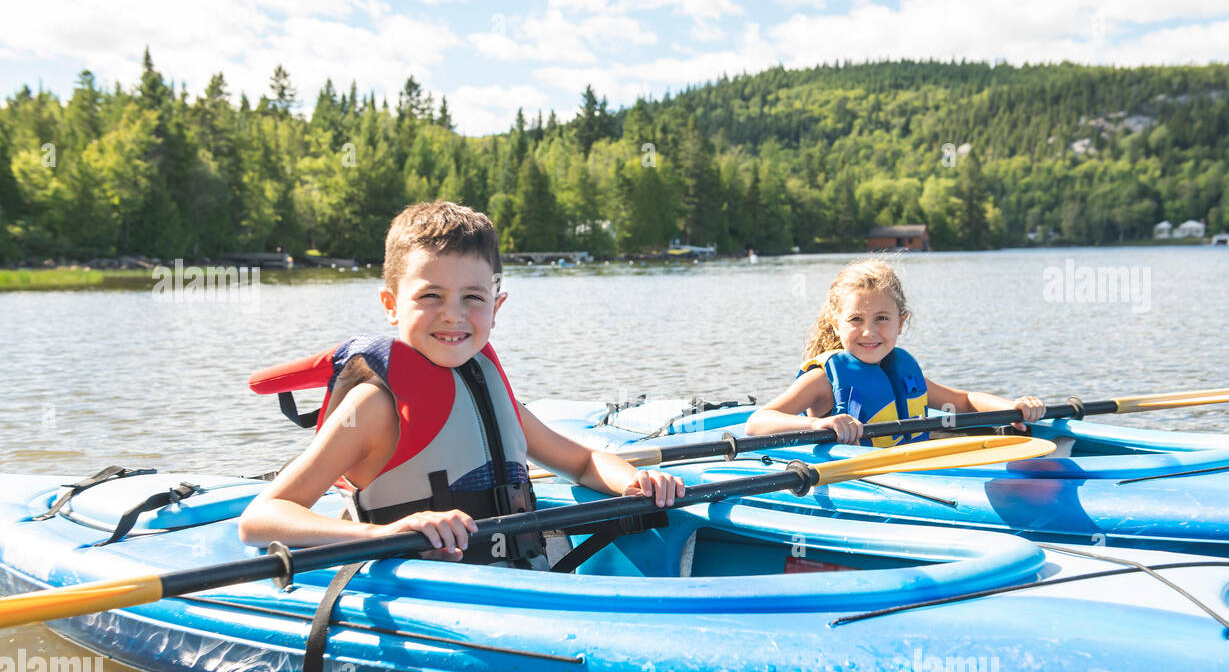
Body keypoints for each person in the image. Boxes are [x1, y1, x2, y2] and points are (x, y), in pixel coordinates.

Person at [239, 201, 683, 567]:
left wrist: (634, 481)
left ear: (497, 306)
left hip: (520, 581)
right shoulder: (373, 407)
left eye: (473, 297)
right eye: (431, 296)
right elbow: (261, 518)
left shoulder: (489, 391)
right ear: (391, 305)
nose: (453, 314)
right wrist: (379, 534)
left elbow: (584, 463)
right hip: (429, 602)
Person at [746, 258, 1045, 446]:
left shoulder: (900, 370)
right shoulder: (823, 380)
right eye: (855, 320)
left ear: (901, 322)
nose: (869, 332)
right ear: (836, 325)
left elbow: (963, 401)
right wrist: (816, 424)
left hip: (911, 473)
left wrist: (1013, 408)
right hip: (857, 480)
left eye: (882, 318)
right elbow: (758, 422)